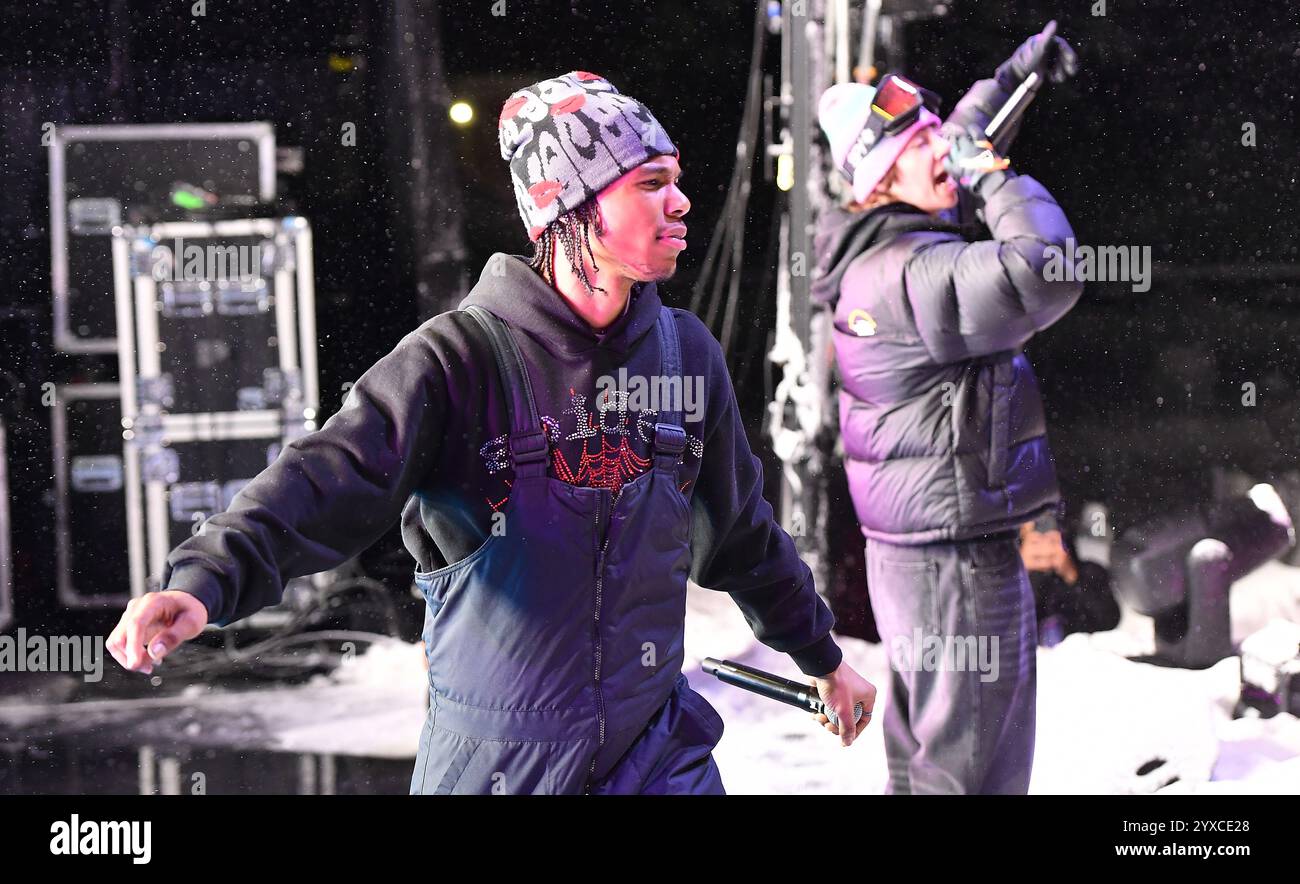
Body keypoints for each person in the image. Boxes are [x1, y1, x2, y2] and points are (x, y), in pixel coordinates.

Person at [106, 71, 876, 795]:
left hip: (654, 757)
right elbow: (326, 479)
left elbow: (739, 532)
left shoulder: (685, 355)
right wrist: (204, 580)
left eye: (676, 180)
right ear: (570, 207)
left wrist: (821, 655)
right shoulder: (459, 359)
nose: (679, 202)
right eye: (650, 184)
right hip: (501, 766)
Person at [810, 28, 1083, 794]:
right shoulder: (917, 272)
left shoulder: (870, 249)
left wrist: (1009, 75)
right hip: (956, 559)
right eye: (924, 144)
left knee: (931, 752)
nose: (949, 152)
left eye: (939, 136)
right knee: (968, 768)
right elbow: (1050, 269)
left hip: (919, 553)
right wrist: (995, 175)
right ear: (881, 176)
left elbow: (952, 138)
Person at [1019, 516, 1121, 646]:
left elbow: (1109, 620)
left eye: (1052, 541)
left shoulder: (1090, 572)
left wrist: (1072, 576)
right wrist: (1022, 575)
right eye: (1035, 542)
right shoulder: (1003, 581)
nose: (1045, 549)